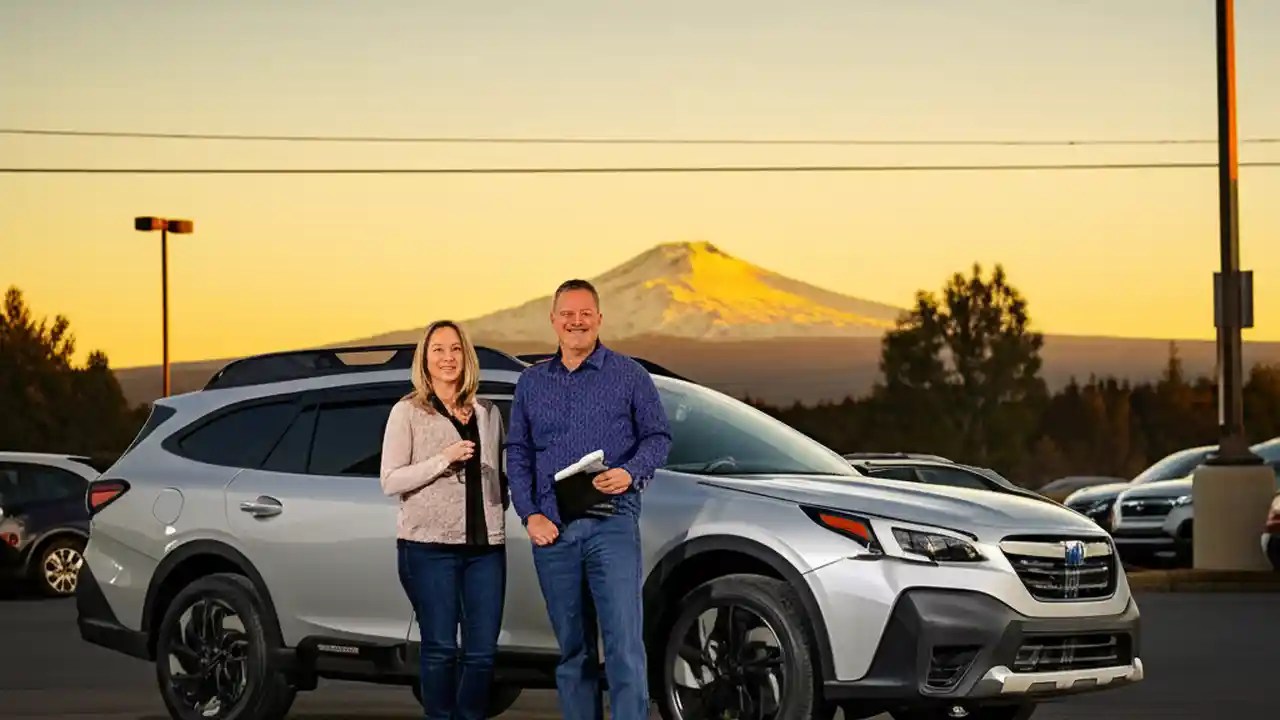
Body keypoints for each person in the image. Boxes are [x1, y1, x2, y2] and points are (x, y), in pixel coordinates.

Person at [506, 279, 673, 720]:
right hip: (553, 530)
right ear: (553, 320)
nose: (576, 322)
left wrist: (630, 471)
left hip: (612, 523)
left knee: (623, 644)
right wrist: (530, 516)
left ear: (599, 319)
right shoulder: (531, 383)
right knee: (573, 650)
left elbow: (658, 437)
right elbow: (518, 452)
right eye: (567, 314)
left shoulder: (629, 375)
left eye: (584, 314)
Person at [380, 320, 507, 720]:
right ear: (425, 359)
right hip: (428, 548)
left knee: (483, 652)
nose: (448, 357)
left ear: (466, 357)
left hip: (485, 549)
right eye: (438, 349)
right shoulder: (408, 412)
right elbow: (390, 480)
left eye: (455, 349)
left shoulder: (488, 412)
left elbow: (498, 472)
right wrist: (442, 459)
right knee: (439, 648)